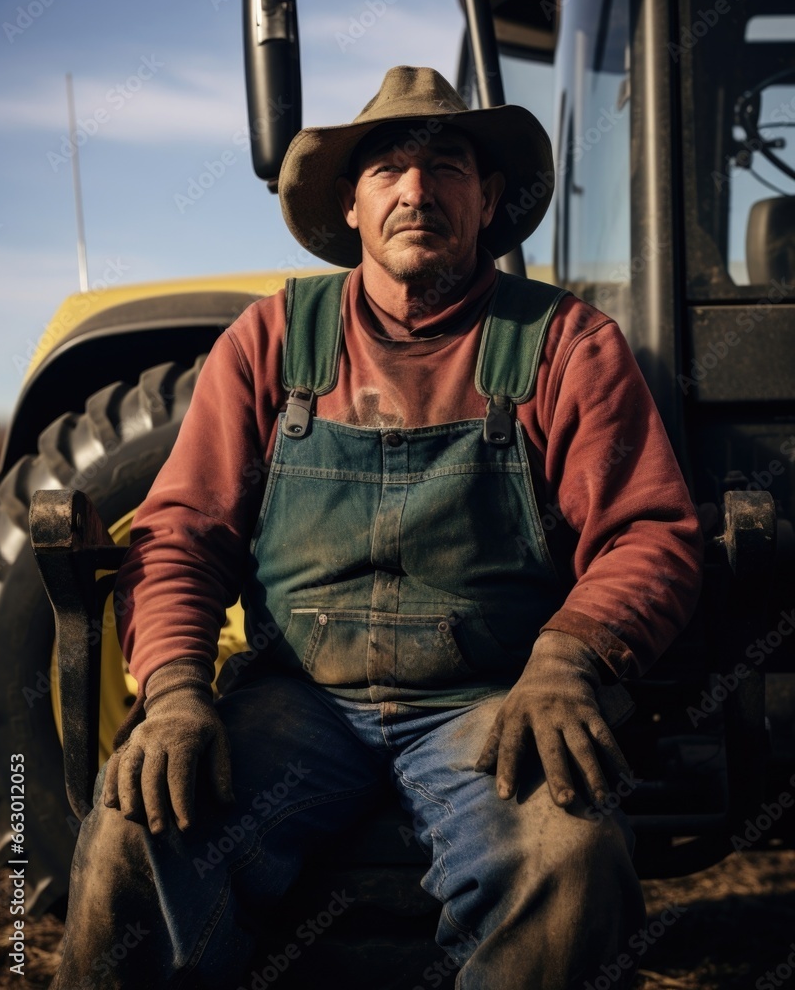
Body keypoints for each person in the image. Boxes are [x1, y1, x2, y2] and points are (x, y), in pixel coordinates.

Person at [50, 66, 702, 989]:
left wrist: (566, 663)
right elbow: (183, 532)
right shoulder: (271, 340)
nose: (416, 189)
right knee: (133, 828)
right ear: (350, 206)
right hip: (297, 703)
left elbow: (650, 531)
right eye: (387, 168)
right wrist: (177, 692)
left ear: (487, 200)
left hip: (490, 704)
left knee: (570, 855)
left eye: (447, 166)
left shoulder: (567, 344)